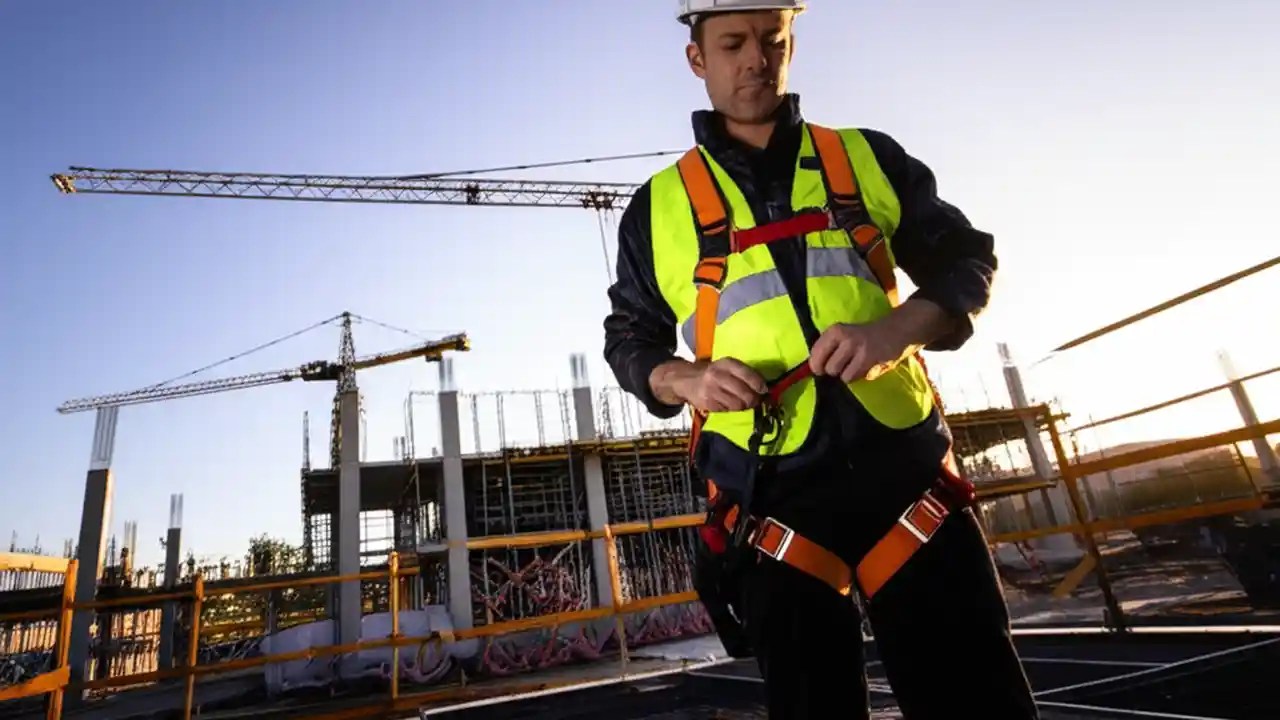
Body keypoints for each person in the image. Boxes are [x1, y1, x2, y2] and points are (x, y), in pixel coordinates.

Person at [602, 1, 1039, 718]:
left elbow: (967, 260)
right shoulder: (657, 208)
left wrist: (897, 331)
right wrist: (685, 377)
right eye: (733, 43)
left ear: (791, 43)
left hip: (907, 483)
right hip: (769, 504)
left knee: (978, 703)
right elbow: (628, 338)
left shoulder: (868, 157)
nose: (756, 60)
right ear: (697, 58)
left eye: (772, 41)